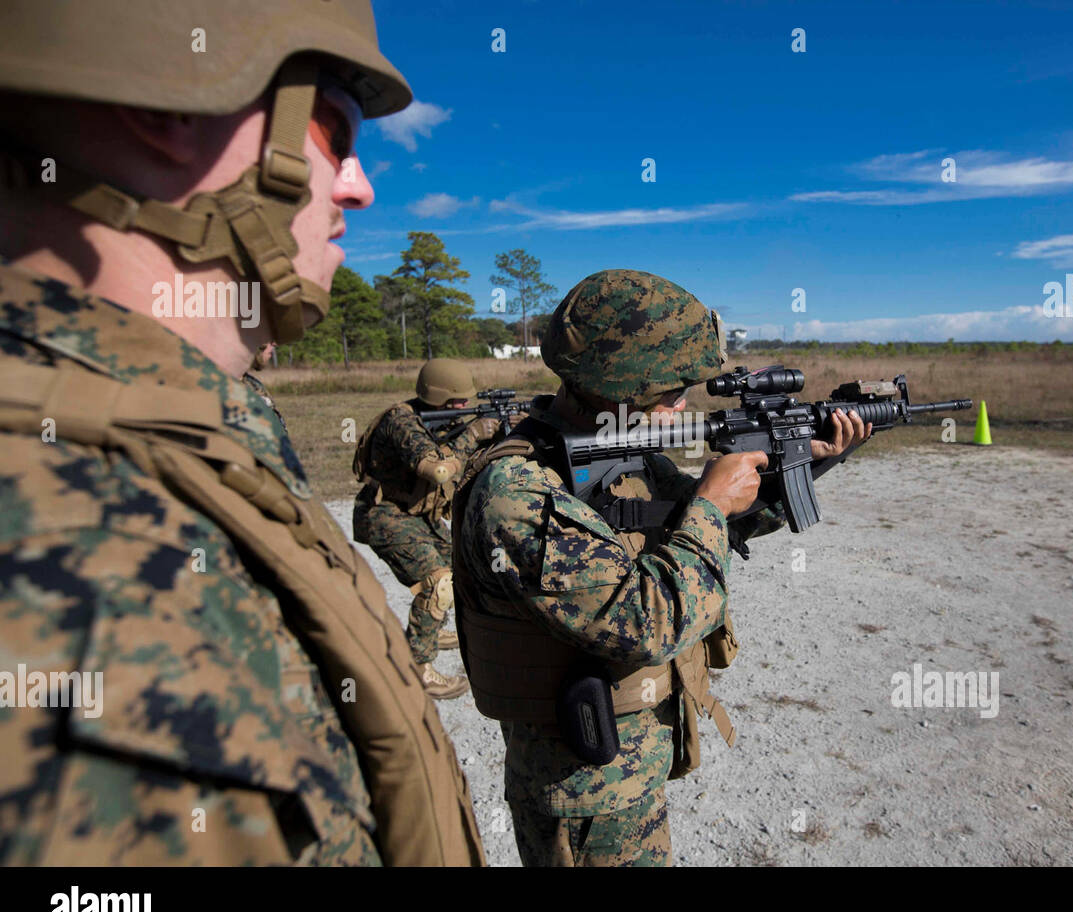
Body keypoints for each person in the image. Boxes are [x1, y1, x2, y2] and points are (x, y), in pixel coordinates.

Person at [0, 0, 483, 865]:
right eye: (334, 124)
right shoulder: (58, 543)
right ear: (166, 107)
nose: (359, 186)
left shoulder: (211, 421)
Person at [452, 269, 869, 866]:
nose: (680, 407)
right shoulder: (517, 494)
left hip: (627, 764)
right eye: (672, 391)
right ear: (621, 382)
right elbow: (648, 623)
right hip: (582, 791)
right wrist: (709, 501)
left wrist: (804, 462)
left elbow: (720, 528)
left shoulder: (624, 455)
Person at [352, 358, 514, 699]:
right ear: (437, 396)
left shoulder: (445, 418)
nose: (463, 407)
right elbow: (439, 471)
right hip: (385, 514)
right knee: (438, 583)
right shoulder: (402, 421)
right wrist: (473, 434)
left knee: (460, 569)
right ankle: (417, 669)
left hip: (416, 514)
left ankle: (431, 628)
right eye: (457, 401)